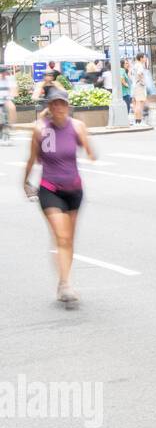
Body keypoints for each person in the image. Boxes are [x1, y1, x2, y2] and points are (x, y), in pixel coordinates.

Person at [21, 87, 96, 305]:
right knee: (62, 237)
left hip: (74, 190)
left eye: (62, 103)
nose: (58, 107)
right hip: (49, 188)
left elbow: (89, 152)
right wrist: (25, 181)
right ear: (49, 107)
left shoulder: (77, 126)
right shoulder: (39, 129)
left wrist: (88, 146)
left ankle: (63, 281)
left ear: (67, 106)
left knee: (68, 239)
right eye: (54, 104)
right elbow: (32, 159)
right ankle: (66, 285)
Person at [129, 54, 149, 125]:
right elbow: (139, 74)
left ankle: (136, 121)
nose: (146, 59)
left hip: (134, 86)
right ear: (141, 58)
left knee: (135, 104)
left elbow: (130, 75)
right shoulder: (140, 65)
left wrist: (134, 81)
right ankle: (139, 121)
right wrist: (143, 82)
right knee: (139, 104)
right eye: (145, 57)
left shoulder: (134, 65)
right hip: (139, 86)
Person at [0, 67, 17, 133]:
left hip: (7, 99)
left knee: (12, 107)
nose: (2, 74)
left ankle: (11, 125)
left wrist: (10, 96)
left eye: (4, 72)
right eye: (1, 73)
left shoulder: (10, 79)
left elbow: (14, 90)